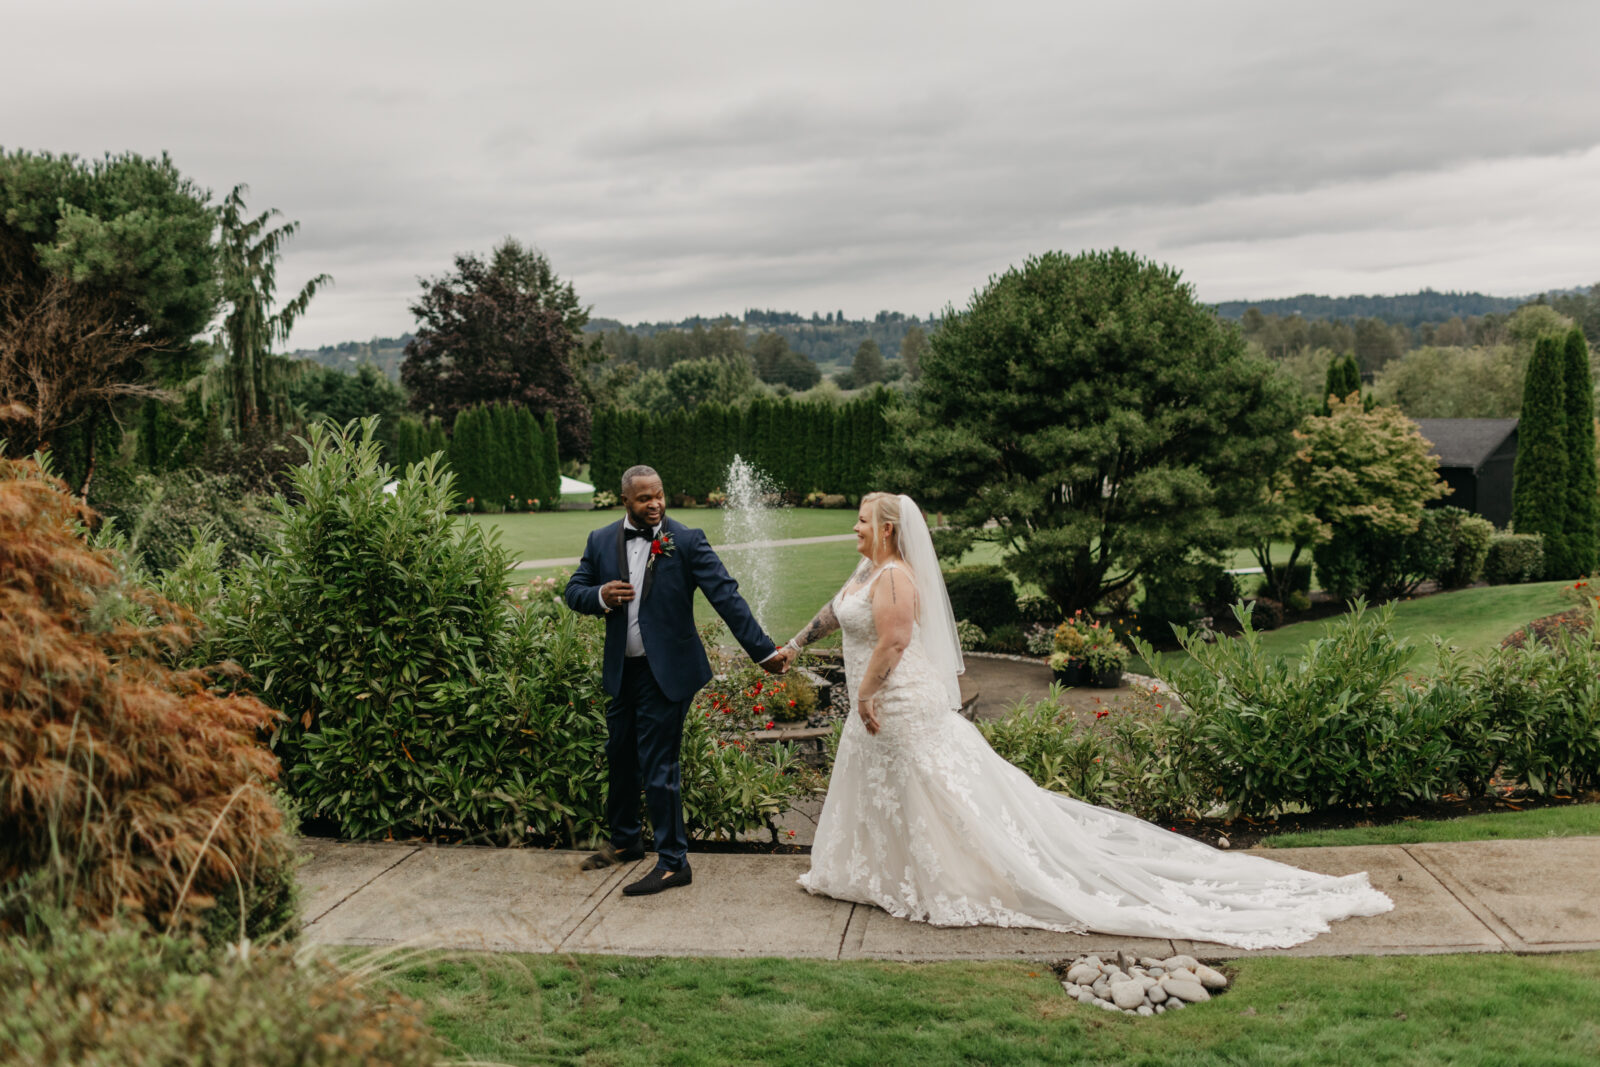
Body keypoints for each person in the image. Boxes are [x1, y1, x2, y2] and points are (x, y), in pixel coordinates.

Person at [769, 492, 1393, 949]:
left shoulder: (898, 578)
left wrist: (867, 696)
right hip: (880, 705)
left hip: (899, 703)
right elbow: (835, 610)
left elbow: (895, 643)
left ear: (885, 529)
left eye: (859, 521)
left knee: (934, 793)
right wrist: (797, 644)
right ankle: (878, 874)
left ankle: (965, 878)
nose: (853, 528)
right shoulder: (866, 571)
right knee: (892, 791)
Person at [565, 465, 782, 895]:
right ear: (625, 500)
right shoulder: (601, 540)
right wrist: (599, 596)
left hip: (667, 674)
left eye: (659, 494)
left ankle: (672, 863)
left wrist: (764, 651)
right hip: (622, 671)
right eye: (644, 498)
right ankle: (627, 844)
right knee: (620, 757)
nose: (655, 503)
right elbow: (574, 590)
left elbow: (726, 596)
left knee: (659, 765)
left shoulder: (686, 540)